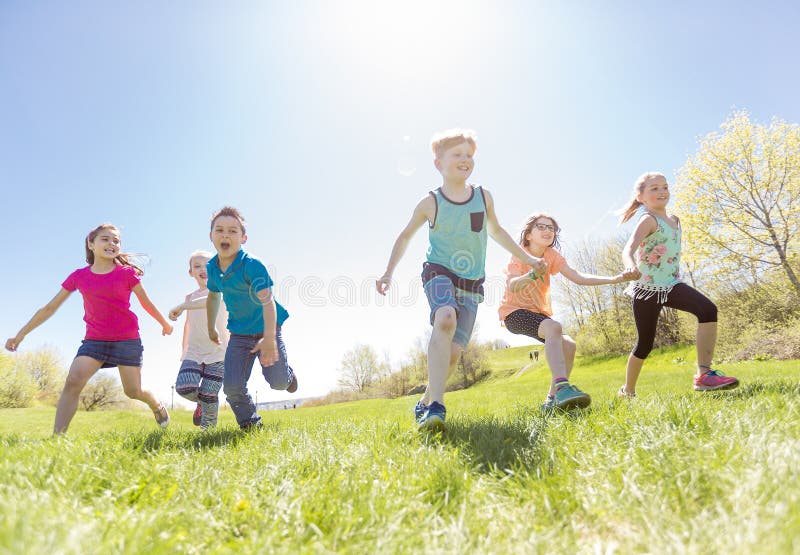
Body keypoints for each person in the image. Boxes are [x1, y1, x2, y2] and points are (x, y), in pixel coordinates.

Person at [376, 128, 547, 431]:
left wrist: (529, 259)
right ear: (438, 163)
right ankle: (437, 408)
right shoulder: (431, 202)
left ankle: (426, 401)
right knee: (444, 318)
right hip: (439, 271)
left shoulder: (483, 197)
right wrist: (388, 271)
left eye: (469, 155)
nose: (465, 159)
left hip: (472, 282)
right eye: (457, 154)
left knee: (453, 354)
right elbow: (404, 237)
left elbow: (497, 232)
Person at [5, 223, 173, 434]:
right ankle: (57, 438)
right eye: (105, 239)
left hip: (127, 339)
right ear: (91, 244)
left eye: (116, 240)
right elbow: (49, 308)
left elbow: (146, 303)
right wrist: (20, 334)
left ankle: (156, 405)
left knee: (133, 390)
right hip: (95, 340)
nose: (112, 243)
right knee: (73, 380)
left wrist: (164, 324)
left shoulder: (127, 274)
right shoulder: (79, 276)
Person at [499, 213, 638, 412]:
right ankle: (563, 387)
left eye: (551, 228)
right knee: (554, 327)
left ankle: (551, 400)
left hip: (538, 314)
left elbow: (578, 277)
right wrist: (532, 274)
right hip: (514, 313)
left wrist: (615, 279)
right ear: (528, 235)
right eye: (541, 227)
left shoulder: (551, 255)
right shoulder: (520, 254)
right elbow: (513, 285)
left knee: (569, 345)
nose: (548, 231)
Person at [618, 172, 739, 397]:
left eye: (664, 187)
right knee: (644, 345)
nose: (662, 191)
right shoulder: (647, 219)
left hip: (671, 284)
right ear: (641, 196)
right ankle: (628, 391)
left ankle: (704, 374)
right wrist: (630, 266)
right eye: (654, 188)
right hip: (647, 288)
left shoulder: (674, 220)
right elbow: (628, 249)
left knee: (708, 309)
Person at [205, 207, 298, 430]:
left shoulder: (252, 265)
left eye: (232, 231)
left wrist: (269, 339)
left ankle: (288, 376)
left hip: (267, 328)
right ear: (211, 237)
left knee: (278, 383)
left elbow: (268, 302)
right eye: (219, 230)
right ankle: (250, 424)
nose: (225, 235)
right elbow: (213, 297)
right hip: (239, 334)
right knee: (232, 385)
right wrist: (211, 328)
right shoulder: (212, 268)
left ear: (243, 238)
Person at [169, 250, 229, 428]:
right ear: (191, 273)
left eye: (207, 265)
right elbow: (188, 324)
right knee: (184, 387)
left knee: (210, 395)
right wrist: (184, 349)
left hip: (219, 352)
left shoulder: (223, 289)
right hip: (194, 351)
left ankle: (207, 433)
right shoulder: (190, 297)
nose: (203, 269)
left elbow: (210, 299)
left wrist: (183, 306)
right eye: (197, 266)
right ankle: (201, 402)